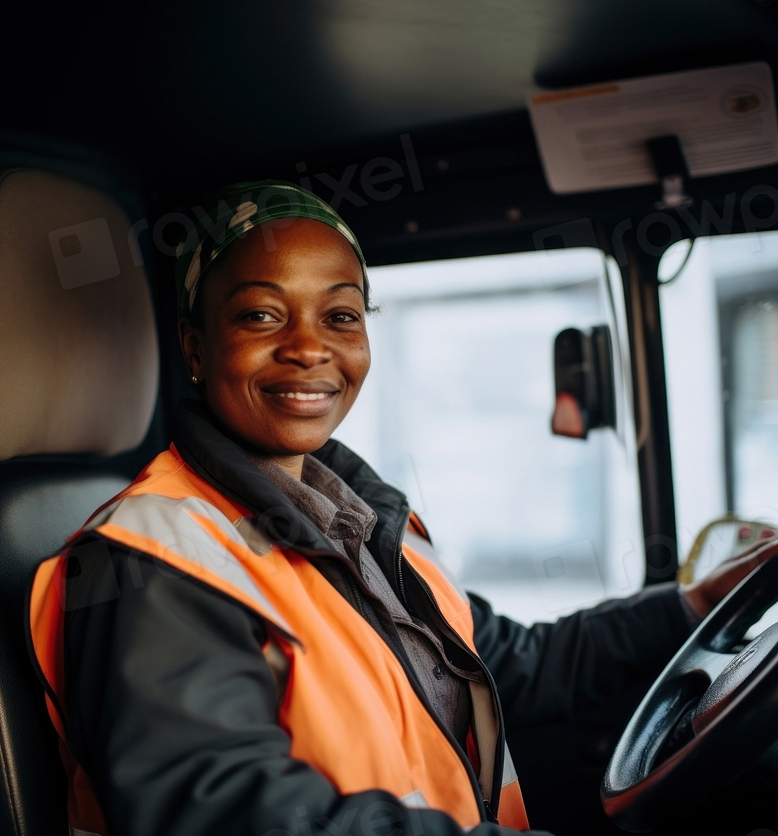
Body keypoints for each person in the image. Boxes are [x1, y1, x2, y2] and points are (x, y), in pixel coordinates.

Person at [29, 181, 778, 836]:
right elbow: (236, 814)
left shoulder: (357, 517)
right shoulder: (147, 561)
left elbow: (508, 663)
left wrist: (688, 608)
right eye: (261, 316)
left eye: (342, 316)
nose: (309, 348)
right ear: (194, 349)